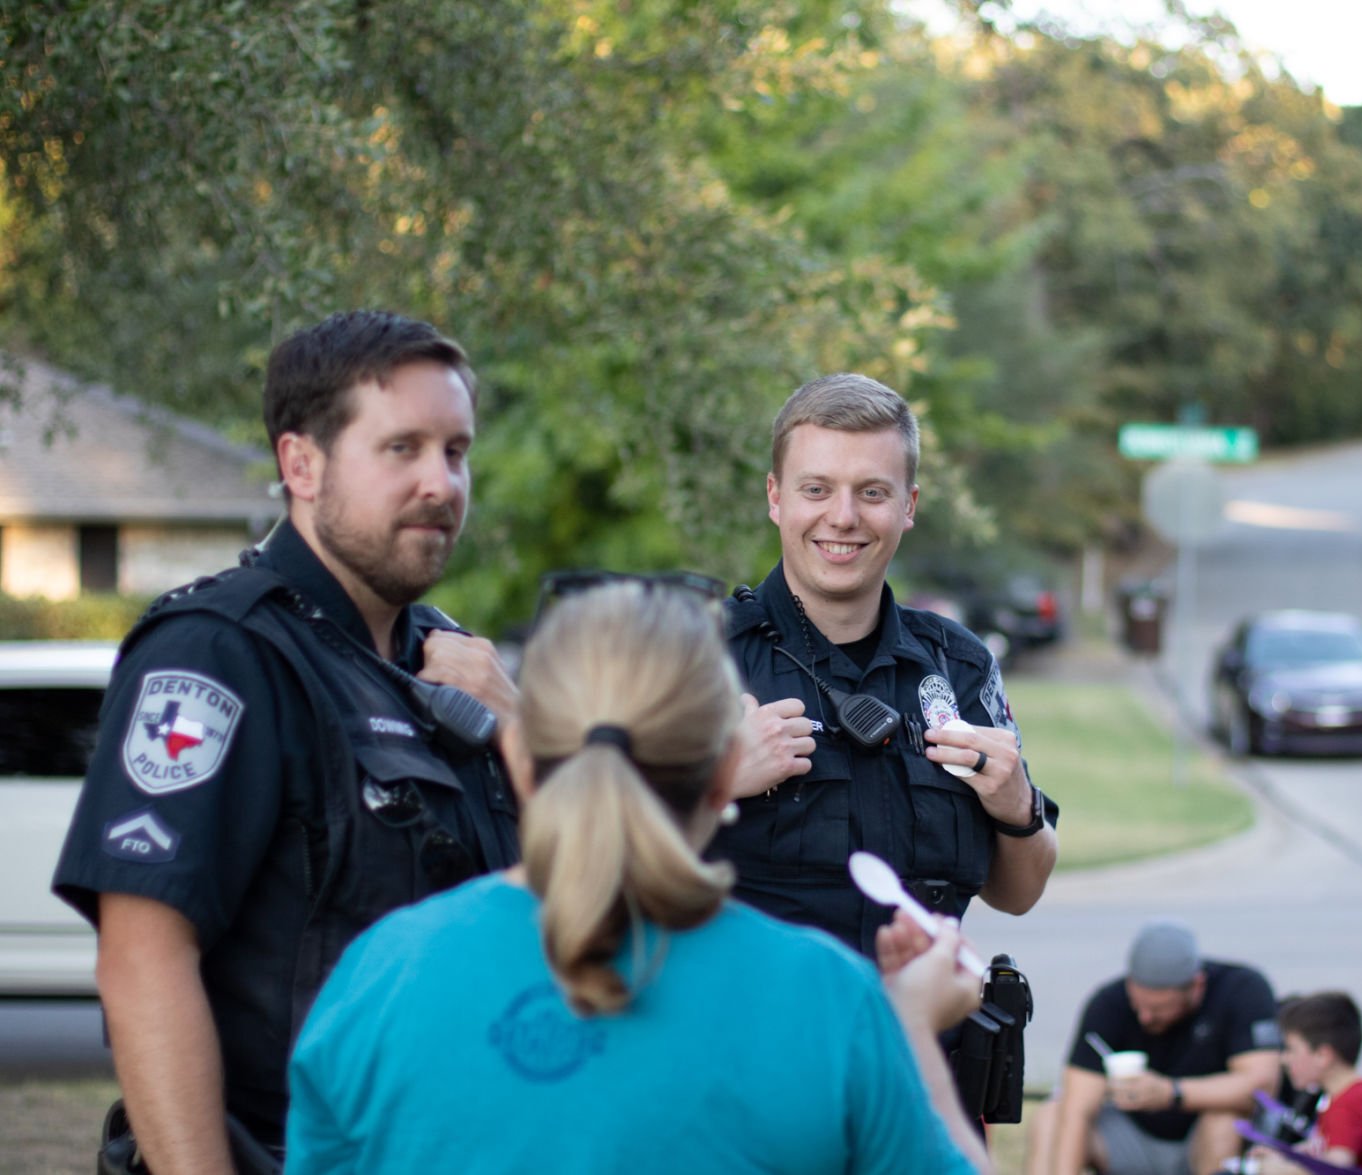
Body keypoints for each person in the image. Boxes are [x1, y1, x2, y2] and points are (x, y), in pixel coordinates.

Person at [284, 582, 991, 1173]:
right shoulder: (829, 1001)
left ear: (519, 758)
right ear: (725, 774)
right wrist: (911, 1034)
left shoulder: (381, 974)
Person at [52, 310, 523, 1167]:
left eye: (455, 451)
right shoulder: (220, 651)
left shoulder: (450, 664)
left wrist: (522, 725)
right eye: (402, 448)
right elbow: (143, 958)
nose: (441, 483)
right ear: (300, 463)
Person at [711, 372, 1058, 957]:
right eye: (816, 489)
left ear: (908, 506)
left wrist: (1017, 805)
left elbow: (1018, 893)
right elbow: (597, 865)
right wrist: (711, 782)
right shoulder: (697, 660)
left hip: (917, 1038)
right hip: (758, 1037)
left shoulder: (960, 665)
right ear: (775, 497)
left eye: (872, 492)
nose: (843, 517)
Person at [1027, 921, 1282, 1175]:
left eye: (1158, 1009)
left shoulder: (1242, 989)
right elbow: (1076, 1109)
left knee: (1225, 1120)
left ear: (1196, 986)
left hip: (1205, 1140)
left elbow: (1261, 1085)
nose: (1145, 1017)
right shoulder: (1108, 1003)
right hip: (1133, 1139)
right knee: (1051, 1116)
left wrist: (1171, 1093)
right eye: (1138, 1005)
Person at [1251, 992, 1362, 1175]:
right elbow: (1328, 1151)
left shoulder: (1349, 1105)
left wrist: (1280, 1169)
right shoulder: (1357, 1095)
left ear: (1323, 1056)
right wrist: (1286, 1156)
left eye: (1290, 1050)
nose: (1284, 1059)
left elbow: (1334, 1169)